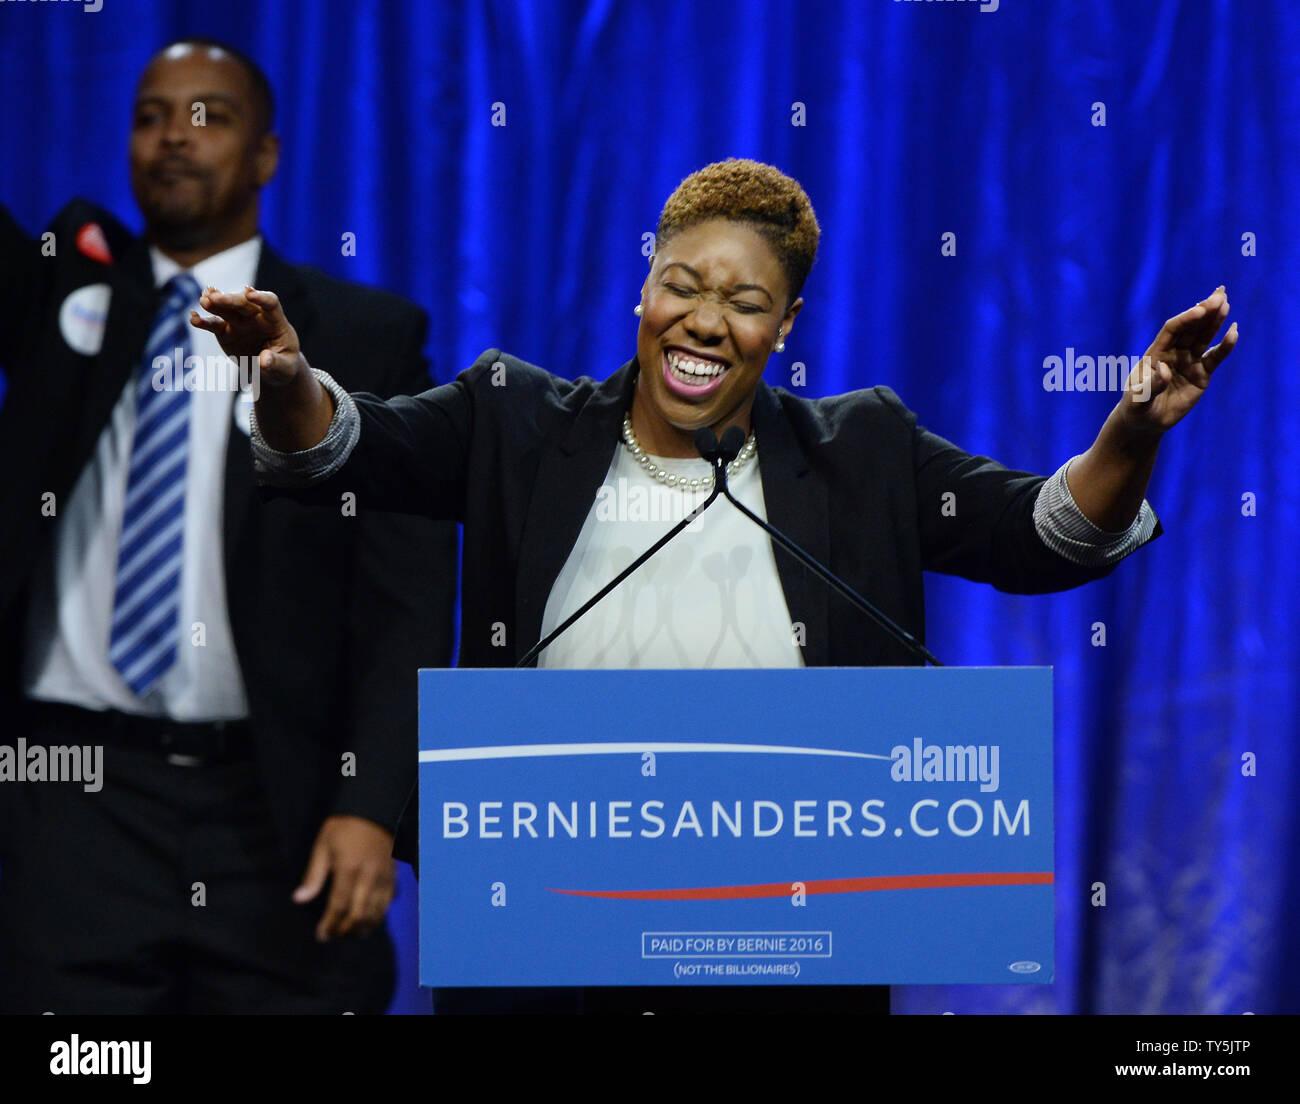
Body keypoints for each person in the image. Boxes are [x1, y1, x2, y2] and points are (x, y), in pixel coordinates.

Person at [197, 158, 1237, 1013]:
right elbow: (347, 448)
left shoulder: (860, 449)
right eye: (681, 284)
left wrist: (1130, 434)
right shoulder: (513, 421)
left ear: (783, 329)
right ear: (643, 288)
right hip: (545, 951)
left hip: (784, 959)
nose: (703, 320)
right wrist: (290, 382)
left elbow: (1038, 535)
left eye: (744, 303)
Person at [0, 39, 458, 1013]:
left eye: (208, 115)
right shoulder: (63, 292)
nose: (174, 136)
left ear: (266, 156)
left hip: (274, 814)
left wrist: (372, 805)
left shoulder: (366, 334)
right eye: (151, 114)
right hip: (68, 807)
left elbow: (407, 605)